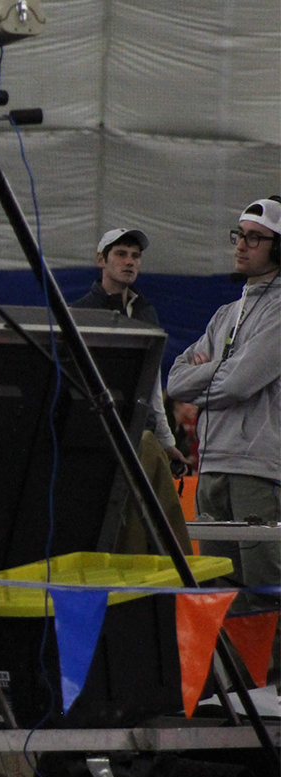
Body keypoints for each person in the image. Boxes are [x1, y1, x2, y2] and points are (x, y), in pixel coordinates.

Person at [167, 196, 281, 674]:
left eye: (255, 237)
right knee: (221, 592)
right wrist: (223, 370)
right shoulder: (224, 315)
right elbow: (174, 380)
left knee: (264, 589)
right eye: (239, 234)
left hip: (258, 468)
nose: (242, 245)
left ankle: (273, 686)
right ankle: (241, 689)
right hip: (211, 463)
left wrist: (210, 374)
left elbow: (238, 383)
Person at [73, 228, 185, 469]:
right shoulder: (80, 313)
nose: (129, 261)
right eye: (121, 254)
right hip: (96, 435)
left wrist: (166, 441)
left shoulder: (146, 312)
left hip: (141, 432)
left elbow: (153, 383)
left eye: (135, 256)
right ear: (101, 259)